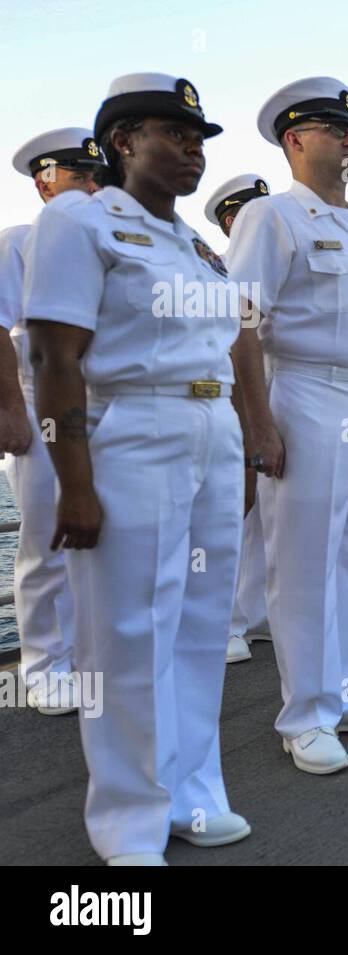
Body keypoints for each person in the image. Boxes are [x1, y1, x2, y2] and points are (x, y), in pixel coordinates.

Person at [24, 73, 249, 864]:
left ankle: (191, 793)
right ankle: (127, 823)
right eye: (174, 135)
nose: (193, 151)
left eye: (199, 140)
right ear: (123, 142)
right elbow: (56, 356)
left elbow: (230, 347)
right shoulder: (83, 224)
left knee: (197, 625)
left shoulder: (193, 245)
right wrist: (74, 483)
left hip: (209, 428)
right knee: (128, 633)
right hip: (137, 429)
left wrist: (246, 445)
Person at [227, 77, 348, 774]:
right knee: (305, 562)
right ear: (294, 139)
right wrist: (258, 422)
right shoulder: (272, 219)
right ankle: (304, 714)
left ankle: (347, 689)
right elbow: (241, 324)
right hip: (307, 395)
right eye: (335, 129)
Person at [1, 127, 104, 714]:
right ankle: (42, 667)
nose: (92, 187)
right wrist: (10, 413)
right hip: (42, 402)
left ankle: (89, 659)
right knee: (46, 538)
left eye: (97, 177)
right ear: (44, 183)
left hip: (107, 403)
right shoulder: (18, 242)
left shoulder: (112, 248)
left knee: (102, 535)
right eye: (78, 176)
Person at [202, 173, 273, 665]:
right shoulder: (215, 273)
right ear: (230, 221)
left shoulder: (280, 265)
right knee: (233, 515)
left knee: (272, 518)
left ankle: (259, 613)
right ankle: (225, 624)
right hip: (235, 403)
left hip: (284, 398)